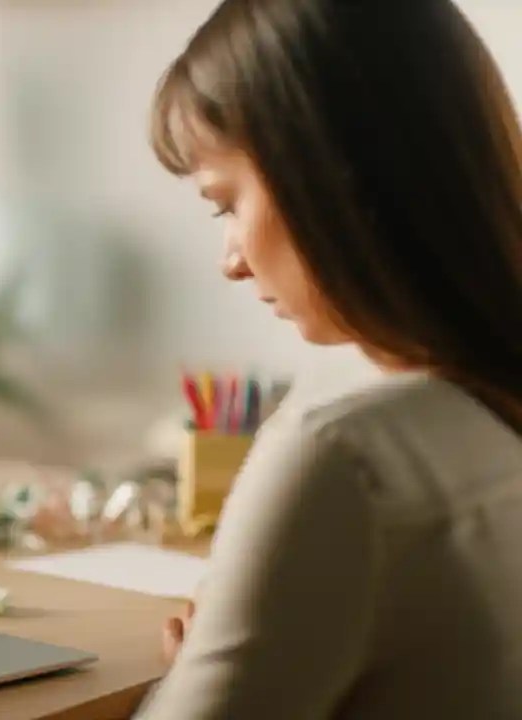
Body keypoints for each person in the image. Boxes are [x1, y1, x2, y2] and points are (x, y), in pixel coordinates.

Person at [137, 0, 522, 717]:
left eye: (225, 205)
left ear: (328, 176)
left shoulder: (343, 457)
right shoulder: (486, 420)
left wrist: (188, 680)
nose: (232, 262)